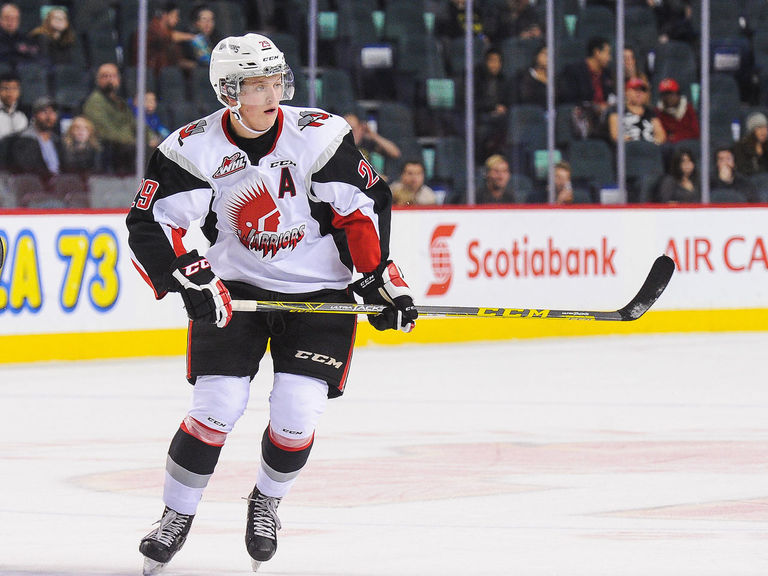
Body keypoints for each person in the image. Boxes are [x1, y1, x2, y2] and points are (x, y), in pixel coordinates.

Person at [126, 33, 417, 575]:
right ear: (228, 92)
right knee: (216, 407)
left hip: (320, 294)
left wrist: (379, 280)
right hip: (237, 292)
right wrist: (190, 278)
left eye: (276, 79)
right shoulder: (192, 148)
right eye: (257, 83)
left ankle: (267, 502)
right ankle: (176, 514)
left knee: (295, 417)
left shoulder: (319, 136)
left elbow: (361, 209)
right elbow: (151, 222)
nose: (272, 92)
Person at [83, 63, 138, 174]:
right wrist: (132, 141)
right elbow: (105, 130)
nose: (109, 79)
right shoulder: (95, 101)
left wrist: (151, 138)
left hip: (128, 145)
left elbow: (135, 124)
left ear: (118, 80)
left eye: (113, 76)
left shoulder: (120, 102)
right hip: (111, 148)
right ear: (98, 80)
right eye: (105, 76)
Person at [557, 36, 615, 139]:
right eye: (607, 53)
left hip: (604, 117)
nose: (609, 58)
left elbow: (611, 95)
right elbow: (569, 98)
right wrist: (595, 106)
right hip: (582, 117)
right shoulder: (574, 71)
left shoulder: (607, 74)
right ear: (597, 52)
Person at [8, 96, 61, 181]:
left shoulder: (57, 140)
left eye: (52, 112)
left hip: (60, 185)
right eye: (44, 112)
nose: (49, 116)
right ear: (34, 115)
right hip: (38, 187)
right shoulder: (24, 139)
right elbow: (29, 169)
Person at [474, 48, 514, 160]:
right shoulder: (477, 80)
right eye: (491, 61)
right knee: (482, 132)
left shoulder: (504, 80)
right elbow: (473, 102)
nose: (494, 65)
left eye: (497, 61)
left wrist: (503, 108)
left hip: (500, 118)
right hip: (482, 116)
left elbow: (509, 101)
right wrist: (493, 107)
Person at [608, 77, 666, 144]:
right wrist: (633, 142)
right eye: (635, 89)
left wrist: (652, 144)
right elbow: (615, 135)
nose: (639, 93)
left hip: (649, 148)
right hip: (628, 147)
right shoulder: (617, 110)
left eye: (643, 90)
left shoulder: (650, 112)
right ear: (626, 92)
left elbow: (661, 135)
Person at [342, 112, 401, 179]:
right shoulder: (338, 145)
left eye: (352, 129)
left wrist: (373, 136)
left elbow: (395, 153)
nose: (348, 133)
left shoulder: (367, 144)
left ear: (360, 129)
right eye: (345, 129)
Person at [142, 1, 196, 73]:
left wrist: (195, 65)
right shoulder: (153, 28)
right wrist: (191, 37)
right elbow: (166, 36)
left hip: (168, 72)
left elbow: (177, 60)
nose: (177, 19)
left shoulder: (169, 32)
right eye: (175, 15)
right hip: (151, 73)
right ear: (165, 15)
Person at [655, 77, 699, 144]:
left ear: (678, 94)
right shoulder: (658, 112)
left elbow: (696, 133)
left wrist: (675, 137)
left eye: (671, 94)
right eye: (665, 95)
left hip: (688, 146)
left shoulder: (688, 109)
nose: (668, 98)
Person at [0, 3, 38, 70]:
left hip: (23, 74)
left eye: (14, 18)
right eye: (7, 18)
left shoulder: (26, 38)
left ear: (18, 21)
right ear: (1, 20)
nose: (11, 21)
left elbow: (34, 56)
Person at [733, 112, 768, 176]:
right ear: (752, 131)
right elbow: (743, 170)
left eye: (766, 127)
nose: (764, 131)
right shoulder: (740, 147)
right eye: (759, 128)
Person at [0, 71, 27, 138]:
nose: (10, 93)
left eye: (14, 88)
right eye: (5, 88)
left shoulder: (22, 117)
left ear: (19, 92)